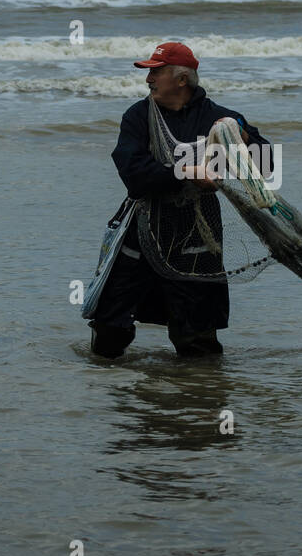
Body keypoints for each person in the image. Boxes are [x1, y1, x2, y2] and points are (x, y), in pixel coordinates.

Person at [87, 41, 271, 358]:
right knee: (109, 332)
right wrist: (185, 173)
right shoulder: (137, 116)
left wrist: (243, 138)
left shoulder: (221, 119)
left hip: (198, 237)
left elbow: (267, 167)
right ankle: (109, 394)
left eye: (156, 72)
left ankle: (198, 397)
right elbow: (134, 175)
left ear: (182, 80)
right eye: (149, 73)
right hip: (141, 231)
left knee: (198, 343)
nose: (149, 80)